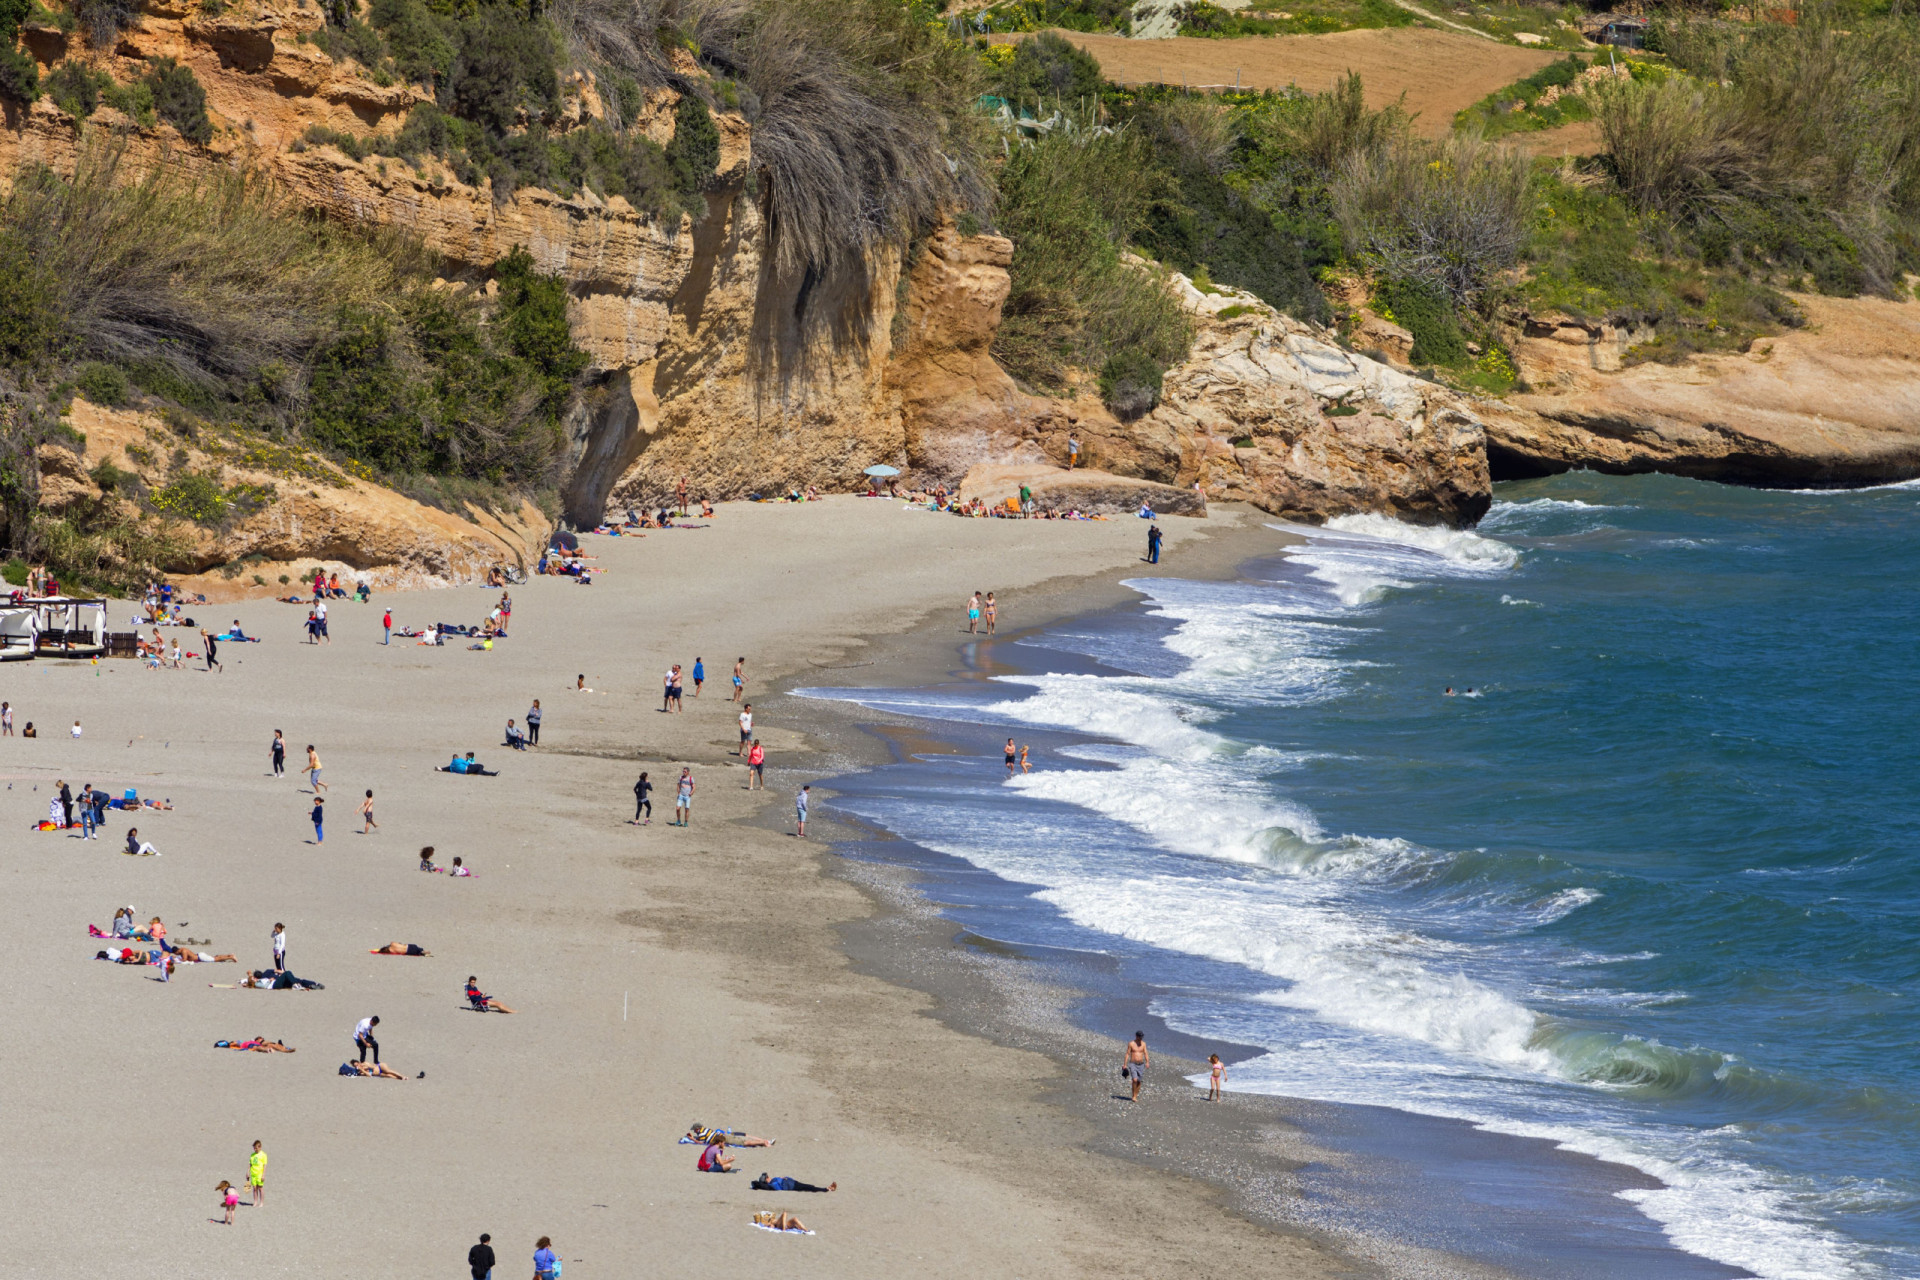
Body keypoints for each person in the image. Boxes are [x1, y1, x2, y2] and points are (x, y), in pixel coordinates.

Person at [686, 1123, 774, 1147]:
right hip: (724, 1136)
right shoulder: (705, 1130)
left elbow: (701, 1142)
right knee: (745, 1139)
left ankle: (764, 1142)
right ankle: (764, 1142)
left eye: (694, 1130)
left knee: (745, 1143)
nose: (694, 1131)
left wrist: (693, 1139)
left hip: (725, 1139)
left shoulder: (702, 1133)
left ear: (697, 1128)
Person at [1122, 1030, 1149, 1102]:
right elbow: (1127, 1054)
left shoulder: (1143, 1044)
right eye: (1140, 1037)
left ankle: (1135, 1095)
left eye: (1142, 1037)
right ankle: (1133, 1096)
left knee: (1139, 1081)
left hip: (1141, 1064)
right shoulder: (1131, 1043)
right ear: (1136, 1036)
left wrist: (1147, 1062)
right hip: (1133, 1063)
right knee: (1134, 1079)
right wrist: (1125, 1064)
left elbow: (1145, 1053)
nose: (1141, 1038)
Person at [750, 1173, 836, 1193]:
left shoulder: (773, 1181)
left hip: (793, 1182)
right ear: (766, 1180)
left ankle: (827, 1188)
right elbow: (757, 1184)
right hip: (792, 1185)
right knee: (809, 1187)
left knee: (809, 1186)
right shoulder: (771, 1185)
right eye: (767, 1177)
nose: (769, 1177)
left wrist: (783, 1178)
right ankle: (827, 1189)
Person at [248, 1140, 267, 1208]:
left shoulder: (263, 1155)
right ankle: (255, 1201)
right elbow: (250, 1164)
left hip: (259, 1174)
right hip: (253, 1174)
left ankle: (261, 1202)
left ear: (260, 1147)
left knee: (260, 1188)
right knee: (254, 1188)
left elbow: (264, 1165)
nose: (255, 1149)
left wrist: (263, 1175)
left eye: (256, 1148)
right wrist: (248, 1172)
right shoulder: (252, 1155)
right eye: (254, 1148)